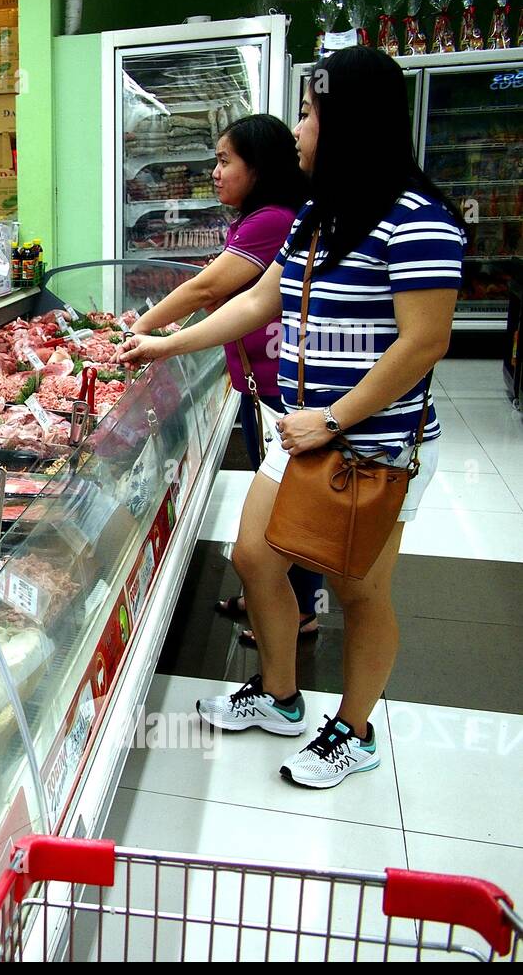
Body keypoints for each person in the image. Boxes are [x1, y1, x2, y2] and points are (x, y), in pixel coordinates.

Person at [119, 46, 464, 789]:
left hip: (373, 445)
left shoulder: (420, 219)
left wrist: (332, 419)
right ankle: (280, 697)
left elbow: (425, 341)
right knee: (254, 557)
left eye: (309, 113)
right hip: (304, 433)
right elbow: (256, 300)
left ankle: (356, 728)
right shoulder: (318, 212)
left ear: (348, 122)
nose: (299, 129)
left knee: (361, 590)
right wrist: (163, 343)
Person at [130, 115, 322, 648]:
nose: (214, 173)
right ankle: (271, 595)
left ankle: (300, 610)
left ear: (257, 168)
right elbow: (215, 292)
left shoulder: (272, 221)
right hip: (260, 385)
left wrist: (141, 328)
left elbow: (204, 288)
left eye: (224, 161)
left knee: (289, 505)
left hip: (279, 390)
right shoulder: (258, 218)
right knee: (278, 496)